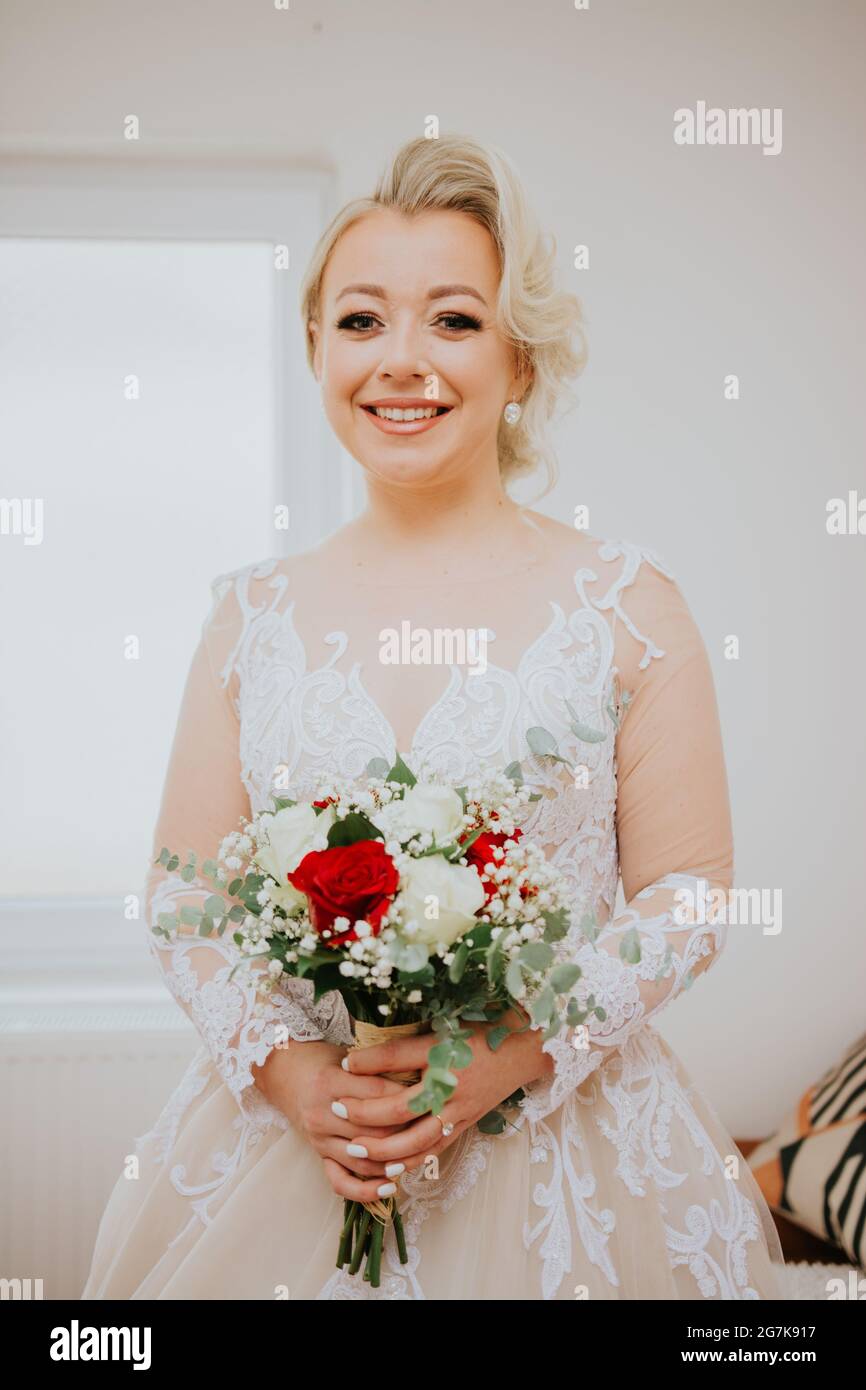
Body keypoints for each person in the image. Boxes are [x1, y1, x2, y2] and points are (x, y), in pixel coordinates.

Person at [82, 133, 788, 1300]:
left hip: (568, 1152)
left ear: (520, 361)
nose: (400, 361)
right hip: (297, 1143)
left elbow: (686, 894)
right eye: (360, 321)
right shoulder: (246, 617)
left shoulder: (628, 605)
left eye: (452, 321)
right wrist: (298, 1077)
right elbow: (184, 892)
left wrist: (500, 1066)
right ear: (315, 349)